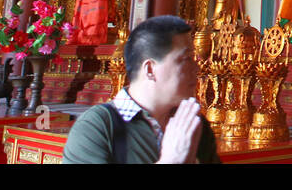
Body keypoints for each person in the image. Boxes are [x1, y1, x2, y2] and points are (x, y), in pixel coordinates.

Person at [62, 15, 220, 164]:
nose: (197, 67)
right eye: (186, 59)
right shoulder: (97, 126)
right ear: (150, 69)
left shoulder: (191, 123)